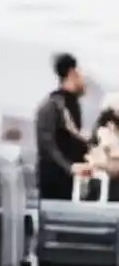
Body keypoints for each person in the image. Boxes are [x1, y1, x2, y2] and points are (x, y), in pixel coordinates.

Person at [34, 53, 92, 201]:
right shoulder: (53, 106)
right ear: (72, 74)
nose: (84, 80)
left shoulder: (70, 105)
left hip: (70, 184)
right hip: (55, 187)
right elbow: (47, 145)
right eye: (81, 74)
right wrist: (70, 167)